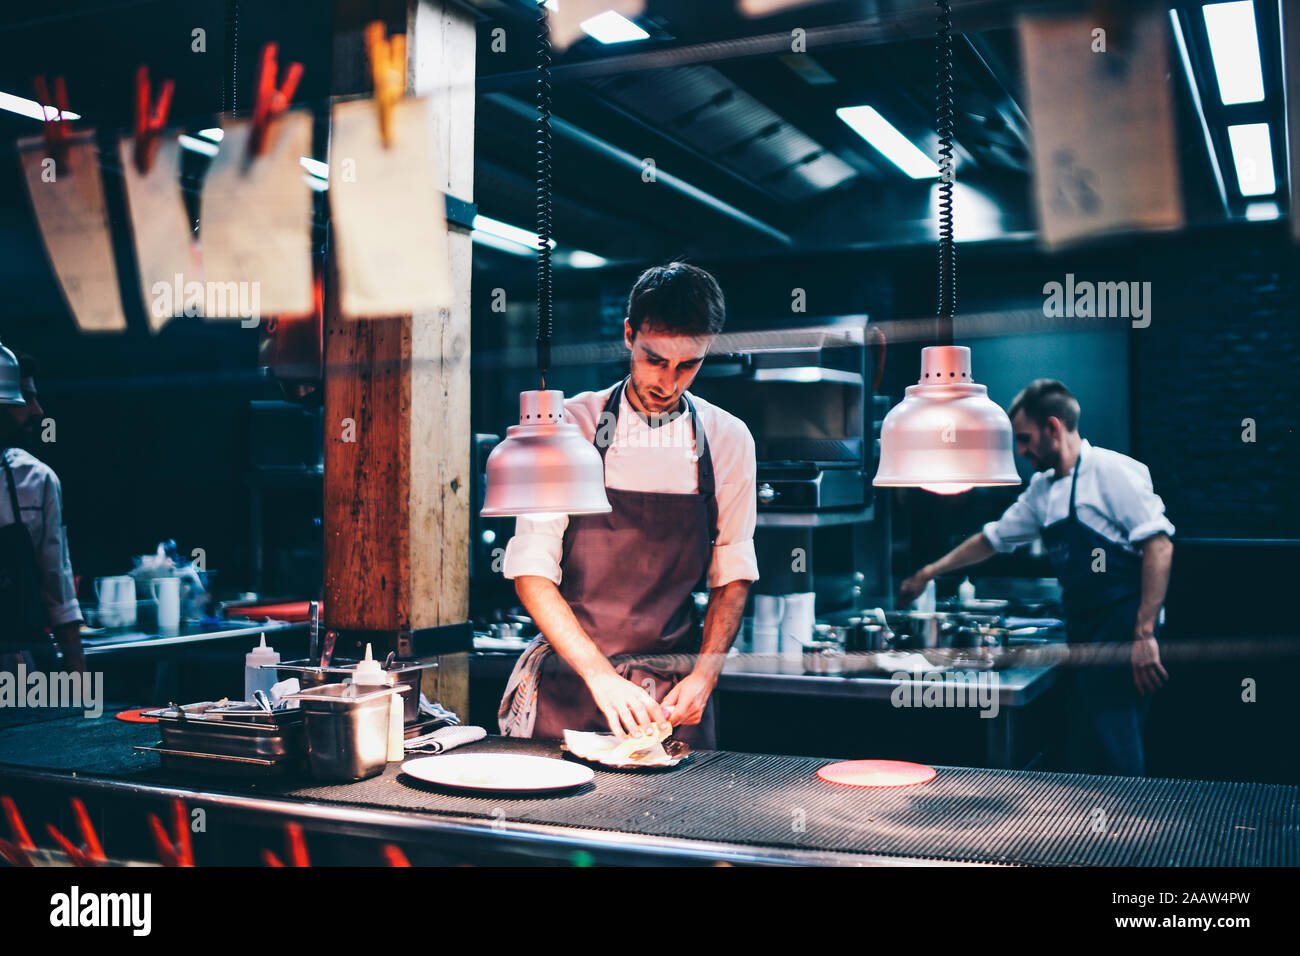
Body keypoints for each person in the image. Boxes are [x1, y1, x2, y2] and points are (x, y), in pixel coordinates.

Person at [498, 263, 758, 748]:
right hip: (572, 685)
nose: (669, 383)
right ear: (628, 335)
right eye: (654, 360)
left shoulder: (728, 439)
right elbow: (531, 572)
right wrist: (601, 677)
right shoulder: (568, 427)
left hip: (672, 696)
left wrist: (705, 676)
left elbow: (733, 573)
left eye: (688, 365)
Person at [897, 379, 1173, 775]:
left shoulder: (1113, 472)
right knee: (1090, 748)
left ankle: (1132, 832)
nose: (1021, 451)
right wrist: (928, 572)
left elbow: (1159, 546)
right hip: (1083, 631)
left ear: (1054, 428)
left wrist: (1144, 635)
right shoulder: (1043, 490)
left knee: (1116, 749)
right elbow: (992, 539)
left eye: (1024, 439)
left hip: (1122, 633)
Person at [0, 346, 85, 673]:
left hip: (21, 670)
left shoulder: (36, 479)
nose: (36, 411)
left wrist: (79, 693)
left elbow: (60, 595)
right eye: (24, 398)